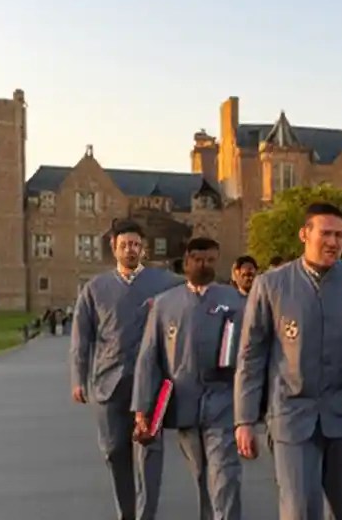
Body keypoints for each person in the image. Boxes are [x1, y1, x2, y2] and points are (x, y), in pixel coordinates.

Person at [234, 202, 342, 520]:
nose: (334, 242)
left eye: (340, 235)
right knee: (298, 510)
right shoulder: (272, 285)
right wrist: (244, 419)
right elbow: (251, 355)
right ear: (304, 234)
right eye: (326, 233)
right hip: (292, 415)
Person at [70, 220, 180, 520]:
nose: (130, 250)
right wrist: (78, 379)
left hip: (151, 385)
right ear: (114, 247)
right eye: (124, 245)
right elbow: (82, 337)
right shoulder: (96, 288)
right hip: (109, 382)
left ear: (142, 247)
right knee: (115, 450)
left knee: (149, 454)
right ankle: (127, 513)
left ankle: (146, 515)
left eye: (135, 244)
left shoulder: (166, 283)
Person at [133, 237, 244, 520]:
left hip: (223, 400)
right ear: (186, 261)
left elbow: (250, 356)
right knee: (201, 474)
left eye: (209, 259)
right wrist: (142, 408)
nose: (203, 265)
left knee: (224, 474)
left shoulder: (235, 302)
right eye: (197, 259)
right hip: (184, 403)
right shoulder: (164, 304)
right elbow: (149, 357)